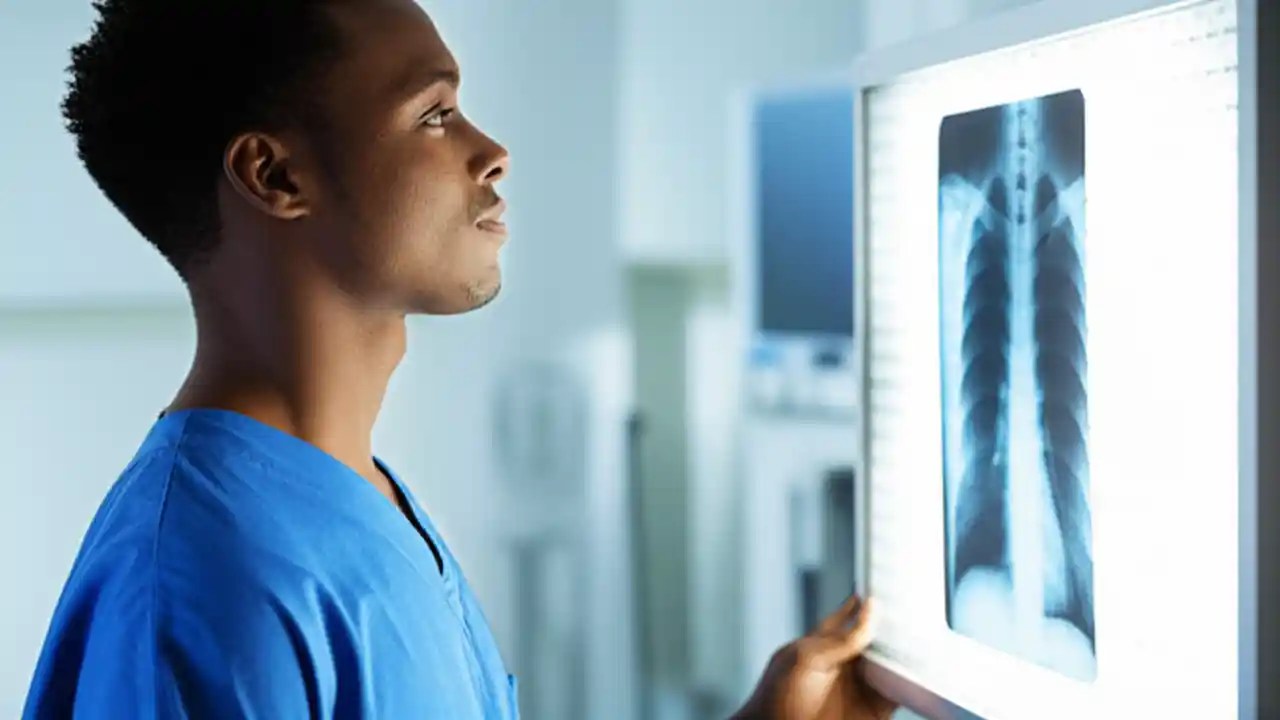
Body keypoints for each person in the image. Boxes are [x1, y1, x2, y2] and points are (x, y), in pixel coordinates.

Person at [23, 1, 897, 718]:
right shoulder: (208, 590)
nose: (492, 152)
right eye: (434, 115)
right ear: (275, 176)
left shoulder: (358, 499)